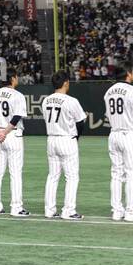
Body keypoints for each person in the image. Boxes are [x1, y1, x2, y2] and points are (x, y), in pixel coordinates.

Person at [104, 66, 133, 222]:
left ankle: (117, 211)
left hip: (114, 134)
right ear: (129, 74)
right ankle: (131, 212)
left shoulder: (108, 92)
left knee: (116, 174)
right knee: (132, 174)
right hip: (130, 135)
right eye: (132, 72)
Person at [41, 71, 86, 220]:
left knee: (52, 176)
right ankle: (69, 210)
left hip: (51, 139)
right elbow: (81, 122)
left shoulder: (46, 100)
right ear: (66, 83)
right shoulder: (71, 101)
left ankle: (49, 210)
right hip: (67, 139)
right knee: (72, 177)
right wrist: (76, 138)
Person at [0, 74, 28, 216]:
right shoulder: (17, 95)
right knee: (15, 173)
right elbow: (16, 117)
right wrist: (5, 132)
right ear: (13, 78)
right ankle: (16, 208)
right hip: (12, 135)